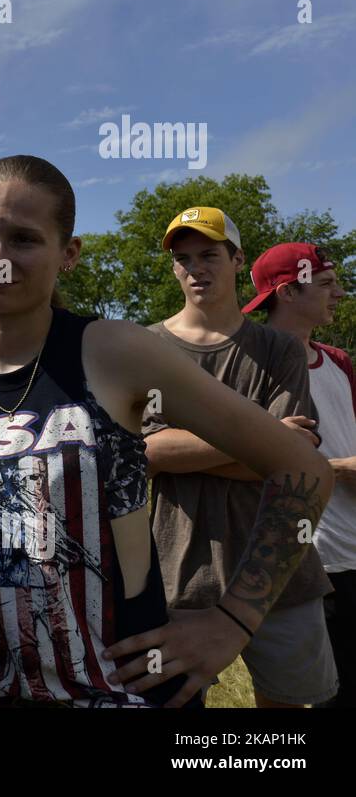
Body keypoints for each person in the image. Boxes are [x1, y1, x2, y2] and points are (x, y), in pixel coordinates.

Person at [0, 156, 333, 708]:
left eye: (26, 239)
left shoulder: (115, 352)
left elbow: (303, 469)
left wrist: (234, 620)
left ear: (69, 253)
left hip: (128, 688)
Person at [144, 210, 338, 708]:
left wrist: (179, 448)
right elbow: (143, 453)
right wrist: (265, 437)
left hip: (279, 571)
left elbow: (290, 462)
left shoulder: (279, 349)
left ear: (237, 259)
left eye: (209, 255)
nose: (195, 269)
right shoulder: (144, 349)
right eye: (182, 259)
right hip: (174, 571)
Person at [251, 241, 355, 706]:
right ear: (288, 293)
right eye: (327, 283)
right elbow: (240, 458)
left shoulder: (339, 361)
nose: (339, 293)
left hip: (354, 548)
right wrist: (335, 468)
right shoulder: (249, 363)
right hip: (310, 559)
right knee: (318, 693)